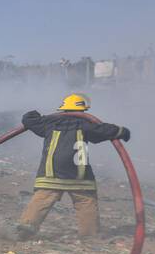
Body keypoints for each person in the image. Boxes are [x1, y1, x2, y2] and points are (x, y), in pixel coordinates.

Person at [14, 93, 130, 239]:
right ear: (83, 111)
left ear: (63, 109)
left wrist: (36, 113)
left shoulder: (48, 123)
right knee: (86, 201)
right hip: (78, 175)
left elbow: (29, 119)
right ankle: (89, 235)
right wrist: (123, 132)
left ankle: (25, 230)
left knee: (42, 199)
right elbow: (105, 130)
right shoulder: (87, 126)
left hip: (52, 174)